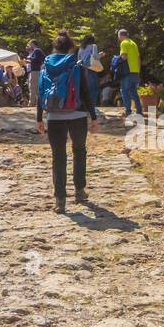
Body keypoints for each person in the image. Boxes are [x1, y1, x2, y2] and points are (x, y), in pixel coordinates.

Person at [36, 31, 99, 213]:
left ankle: (60, 201)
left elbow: (41, 92)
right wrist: (93, 117)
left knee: (58, 157)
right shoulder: (76, 65)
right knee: (79, 151)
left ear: (54, 47)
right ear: (71, 47)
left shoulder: (45, 65)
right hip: (77, 115)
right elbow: (85, 92)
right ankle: (79, 192)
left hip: (54, 116)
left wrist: (39, 118)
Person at [117, 28, 144, 124]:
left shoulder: (124, 43)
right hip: (135, 71)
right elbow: (138, 59)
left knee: (124, 91)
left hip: (127, 72)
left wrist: (117, 59)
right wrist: (138, 71)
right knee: (133, 91)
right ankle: (139, 111)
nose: (118, 38)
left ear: (121, 35)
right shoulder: (133, 43)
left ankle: (128, 111)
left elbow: (124, 57)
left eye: (118, 36)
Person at [78, 34, 100, 111]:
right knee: (94, 89)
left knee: (85, 89)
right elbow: (95, 57)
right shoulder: (94, 46)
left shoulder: (81, 48)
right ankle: (92, 107)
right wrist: (101, 55)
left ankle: (85, 107)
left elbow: (79, 59)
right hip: (92, 69)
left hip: (83, 71)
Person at [25, 39, 46, 104]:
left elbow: (36, 59)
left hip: (35, 71)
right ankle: (38, 102)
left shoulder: (36, 50)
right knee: (36, 87)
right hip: (37, 70)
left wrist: (29, 58)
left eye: (30, 44)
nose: (29, 45)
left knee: (32, 86)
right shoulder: (38, 51)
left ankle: (31, 102)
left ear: (33, 44)